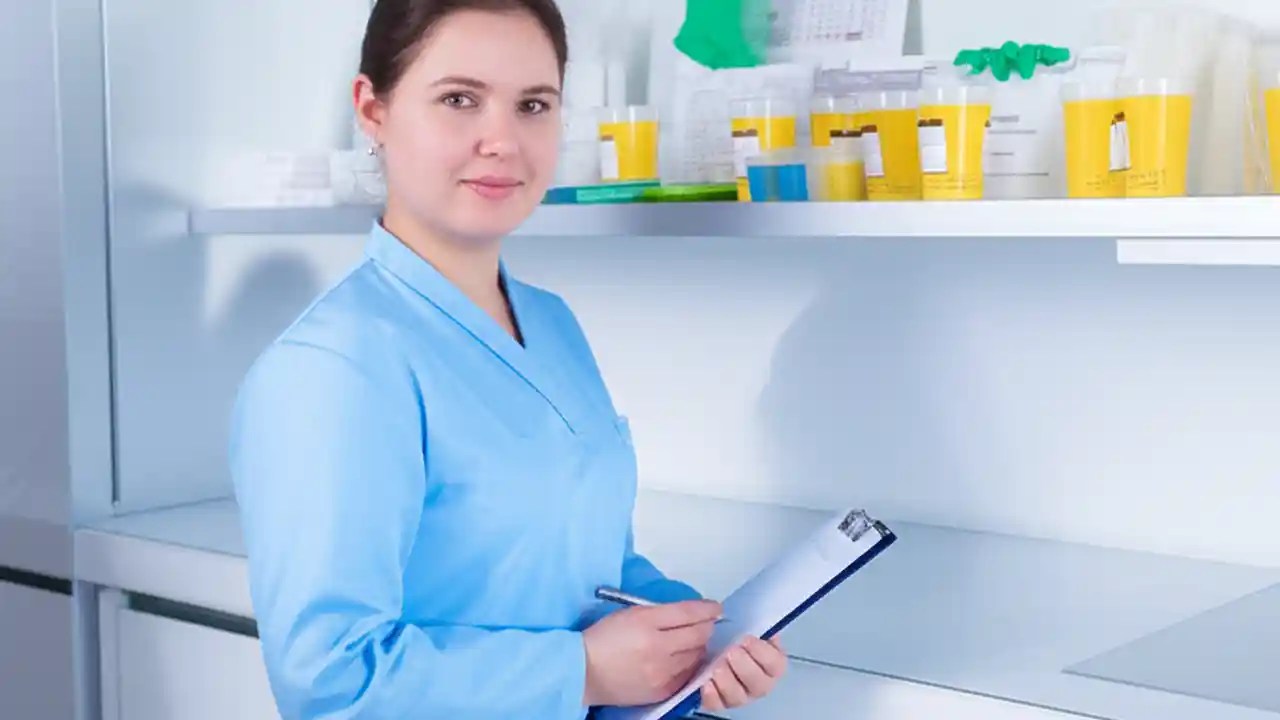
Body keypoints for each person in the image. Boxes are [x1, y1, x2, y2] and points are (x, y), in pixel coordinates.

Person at [229, 0, 787, 718]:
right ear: (373, 110)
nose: (502, 140)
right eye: (460, 100)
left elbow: (588, 571)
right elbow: (331, 680)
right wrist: (582, 671)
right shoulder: (333, 367)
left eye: (533, 104)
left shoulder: (552, 324)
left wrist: (701, 635)